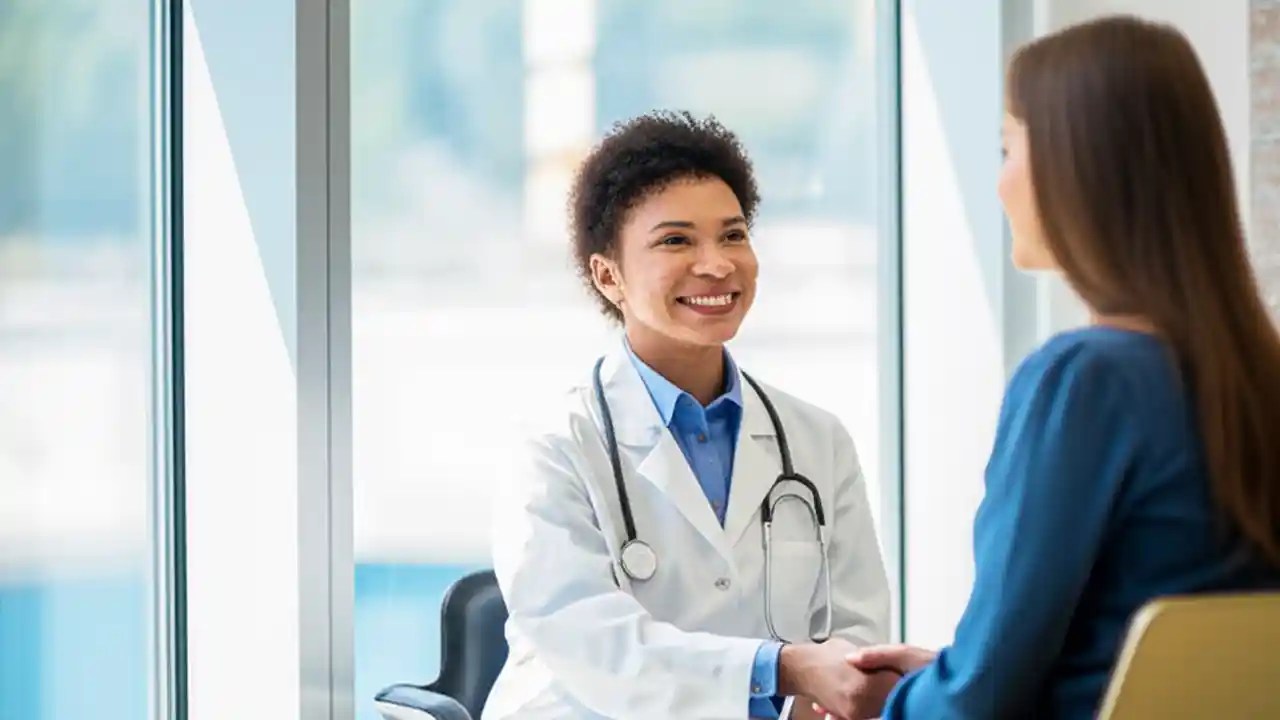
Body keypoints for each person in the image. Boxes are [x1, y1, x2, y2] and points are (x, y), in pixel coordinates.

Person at [814, 15, 1280, 720]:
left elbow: (981, 698)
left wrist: (898, 702)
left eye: (1007, 146)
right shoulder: (1252, 377)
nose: (998, 182)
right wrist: (942, 675)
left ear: (1079, 164)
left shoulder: (1085, 381)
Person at [484, 111, 894, 720]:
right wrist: (782, 668)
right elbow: (589, 641)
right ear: (608, 275)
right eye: (676, 240)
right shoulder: (554, 445)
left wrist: (825, 695)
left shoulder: (817, 440)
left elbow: (855, 629)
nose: (717, 264)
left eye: (732, 235)